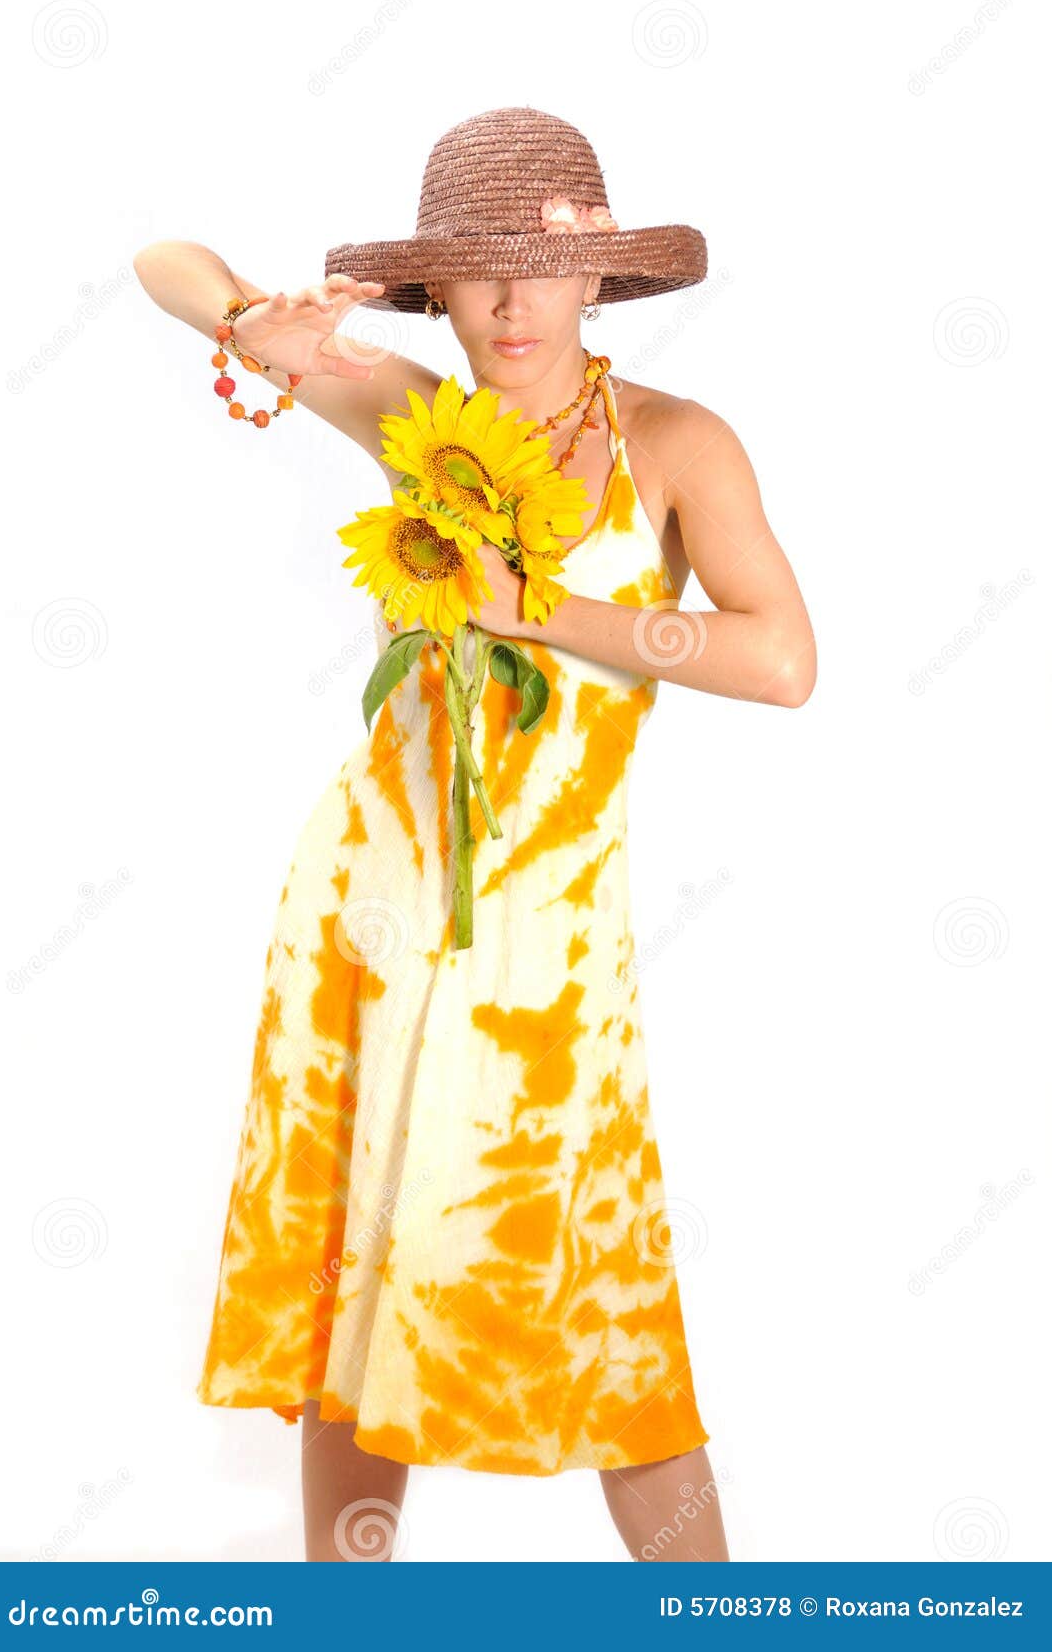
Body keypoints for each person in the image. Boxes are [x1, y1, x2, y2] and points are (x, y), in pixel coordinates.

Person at [134, 106, 815, 1564]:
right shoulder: (410, 412)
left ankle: (709, 1614)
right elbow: (159, 260)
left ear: (596, 282)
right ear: (430, 291)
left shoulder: (678, 443)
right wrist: (260, 319)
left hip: (549, 938)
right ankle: (346, 1605)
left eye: (541, 270)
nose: (512, 305)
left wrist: (544, 610)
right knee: (357, 1270)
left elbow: (783, 660)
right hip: (375, 899)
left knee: (609, 1292)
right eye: (477, 275)